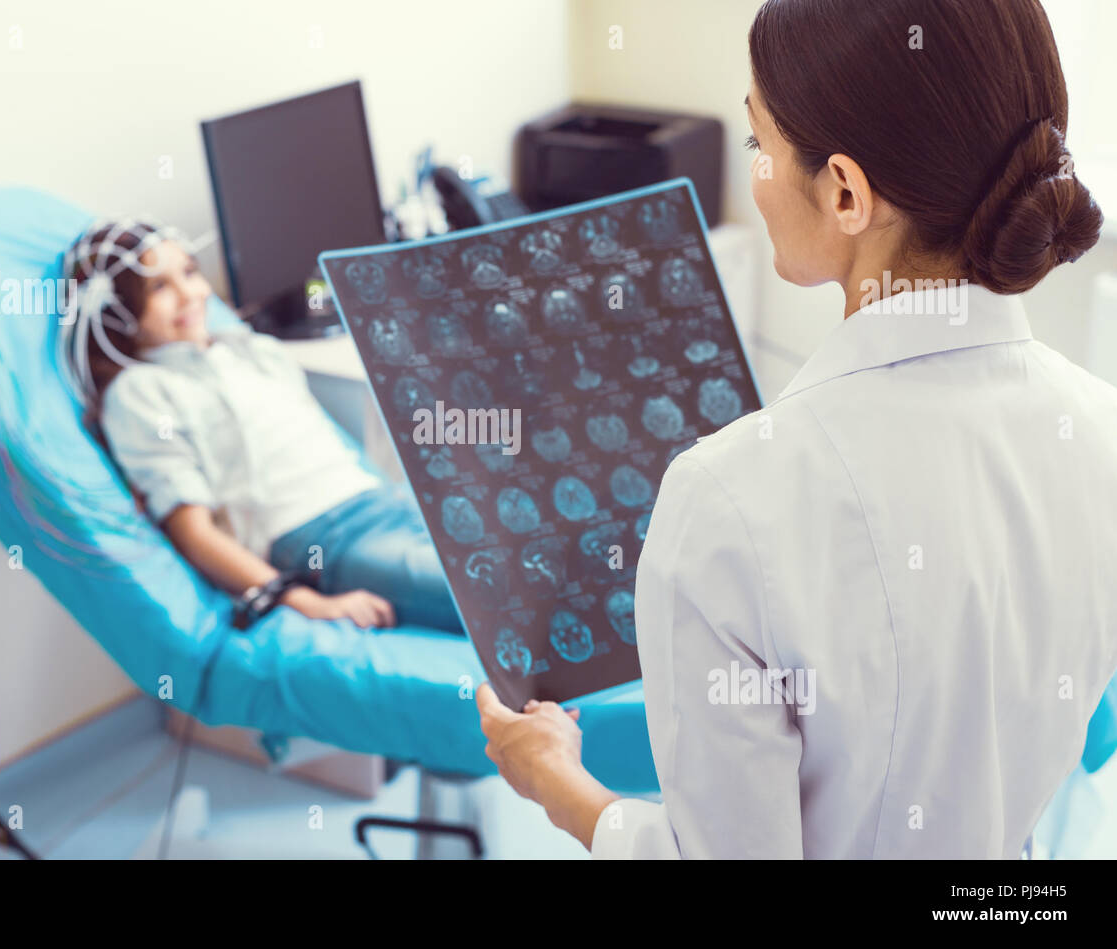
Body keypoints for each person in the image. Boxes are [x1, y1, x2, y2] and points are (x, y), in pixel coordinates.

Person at [478, 0, 1117, 859]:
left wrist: (563, 788)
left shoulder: (728, 503)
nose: (757, 172)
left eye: (759, 147)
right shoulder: (1100, 431)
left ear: (847, 192)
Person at [59, 220, 465, 636]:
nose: (190, 295)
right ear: (115, 312)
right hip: (323, 540)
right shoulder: (141, 392)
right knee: (489, 599)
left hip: (388, 501)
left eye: (189, 273)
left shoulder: (250, 349)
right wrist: (302, 600)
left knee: (527, 570)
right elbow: (193, 532)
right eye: (159, 288)